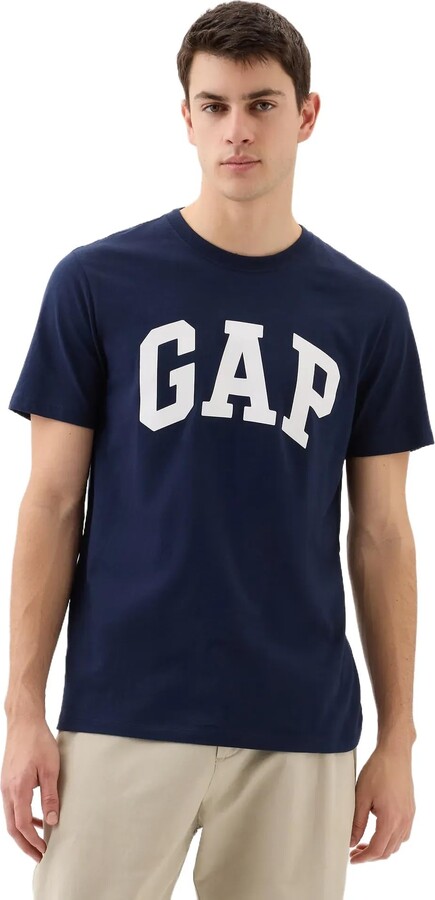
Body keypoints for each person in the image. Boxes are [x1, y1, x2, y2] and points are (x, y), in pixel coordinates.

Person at [1, 2, 433, 898]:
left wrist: (396, 739)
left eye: (262, 104)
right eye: (215, 105)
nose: (238, 129)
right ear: (186, 117)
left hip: (298, 723)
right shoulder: (95, 283)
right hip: (122, 710)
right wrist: (22, 709)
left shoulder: (369, 313)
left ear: (306, 115)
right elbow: (49, 501)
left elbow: (383, 533)